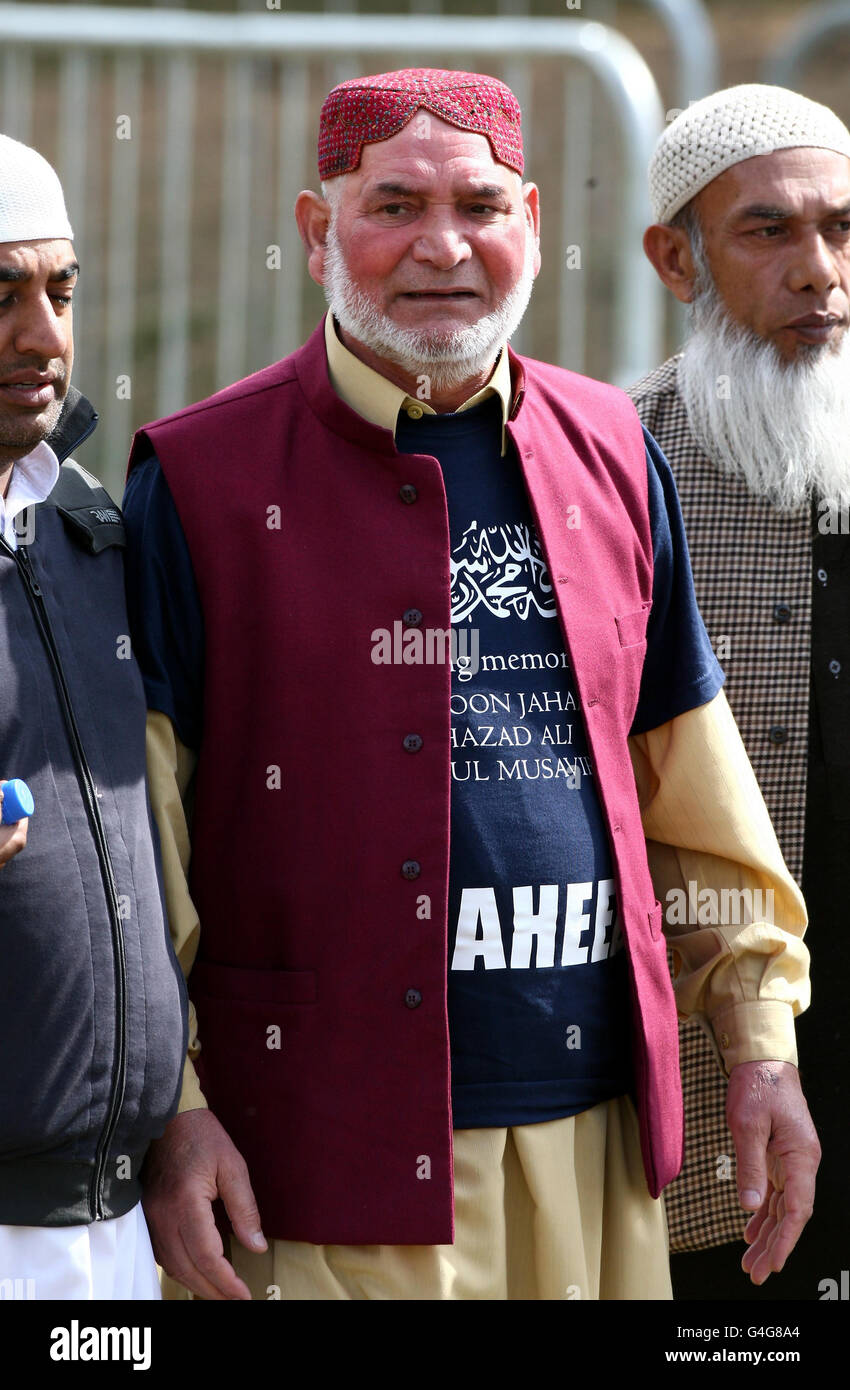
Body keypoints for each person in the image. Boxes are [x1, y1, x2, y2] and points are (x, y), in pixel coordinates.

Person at [122, 69, 819, 1302]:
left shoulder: (611, 447)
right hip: (316, 1160)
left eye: (481, 204)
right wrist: (171, 1105)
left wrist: (761, 1049)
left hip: (597, 1142)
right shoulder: (200, 479)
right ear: (315, 228)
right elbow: (145, 847)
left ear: (533, 224)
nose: (442, 246)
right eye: (394, 203)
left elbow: (694, 798)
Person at [631, 83, 850, 1300]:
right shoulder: (607, 472)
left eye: (842, 230)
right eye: (768, 231)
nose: (818, 271)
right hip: (718, 1078)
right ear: (677, 258)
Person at [0, 134, 187, 1299]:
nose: (45, 336)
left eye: (59, 291)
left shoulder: (88, 526)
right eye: (0, 296)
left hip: (112, 1225)